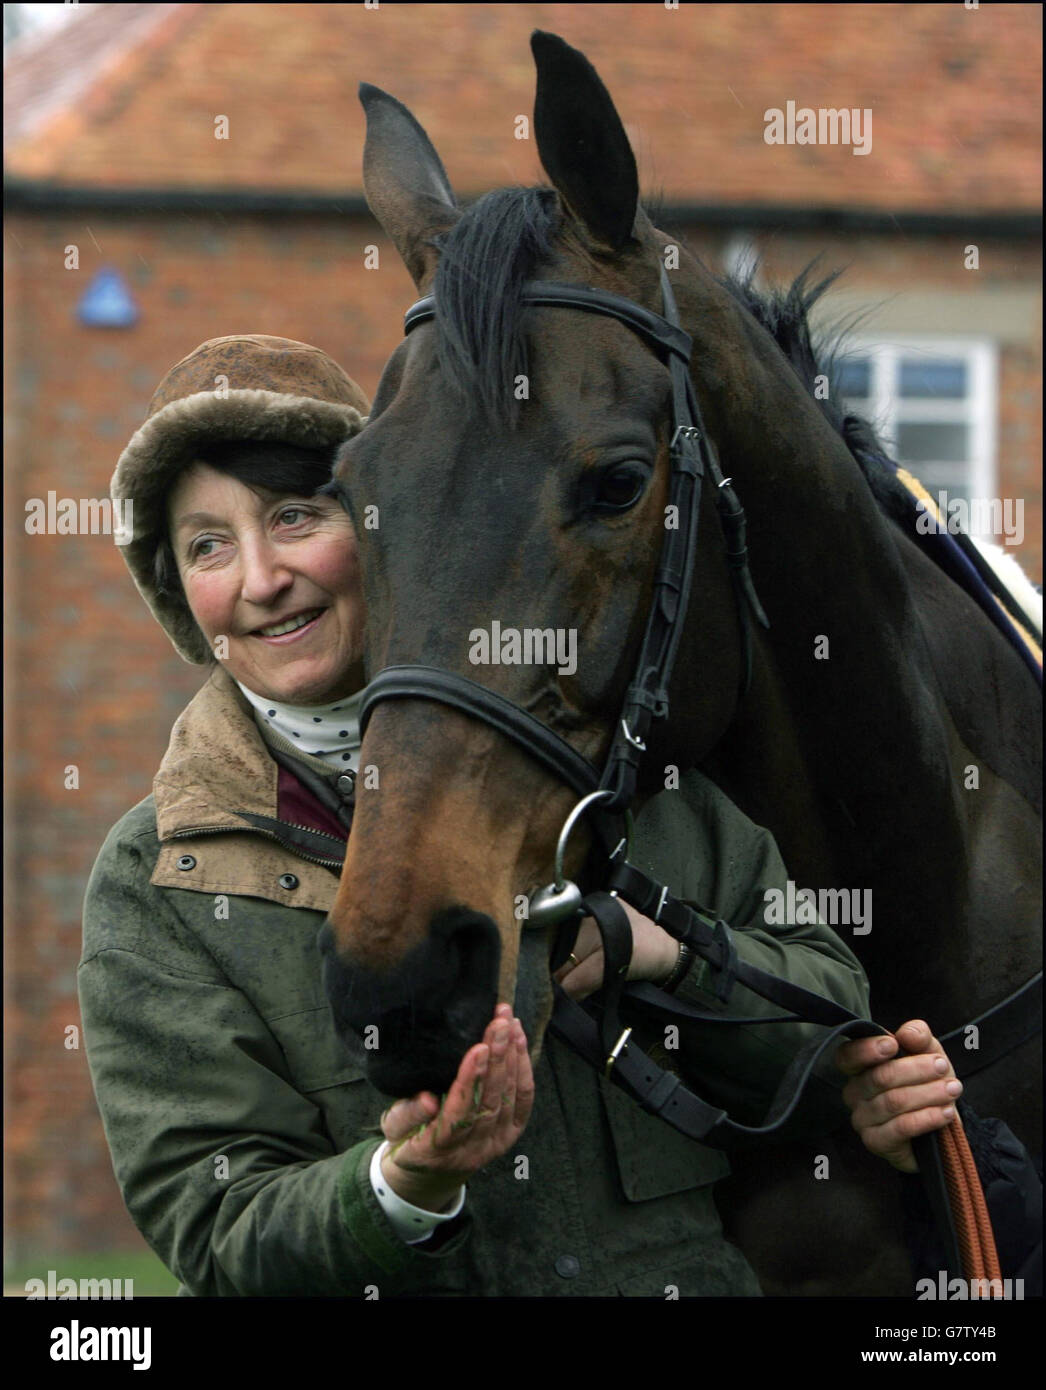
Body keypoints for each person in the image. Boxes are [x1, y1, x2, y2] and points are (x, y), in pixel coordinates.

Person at [80, 333, 974, 1297]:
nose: (260, 579)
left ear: (393, 530)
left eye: (295, 516)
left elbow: (827, 1017)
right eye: (207, 545)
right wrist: (401, 1185)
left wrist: (656, 949)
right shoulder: (162, 878)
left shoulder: (591, 753)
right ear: (182, 594)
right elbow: (220, 1231)